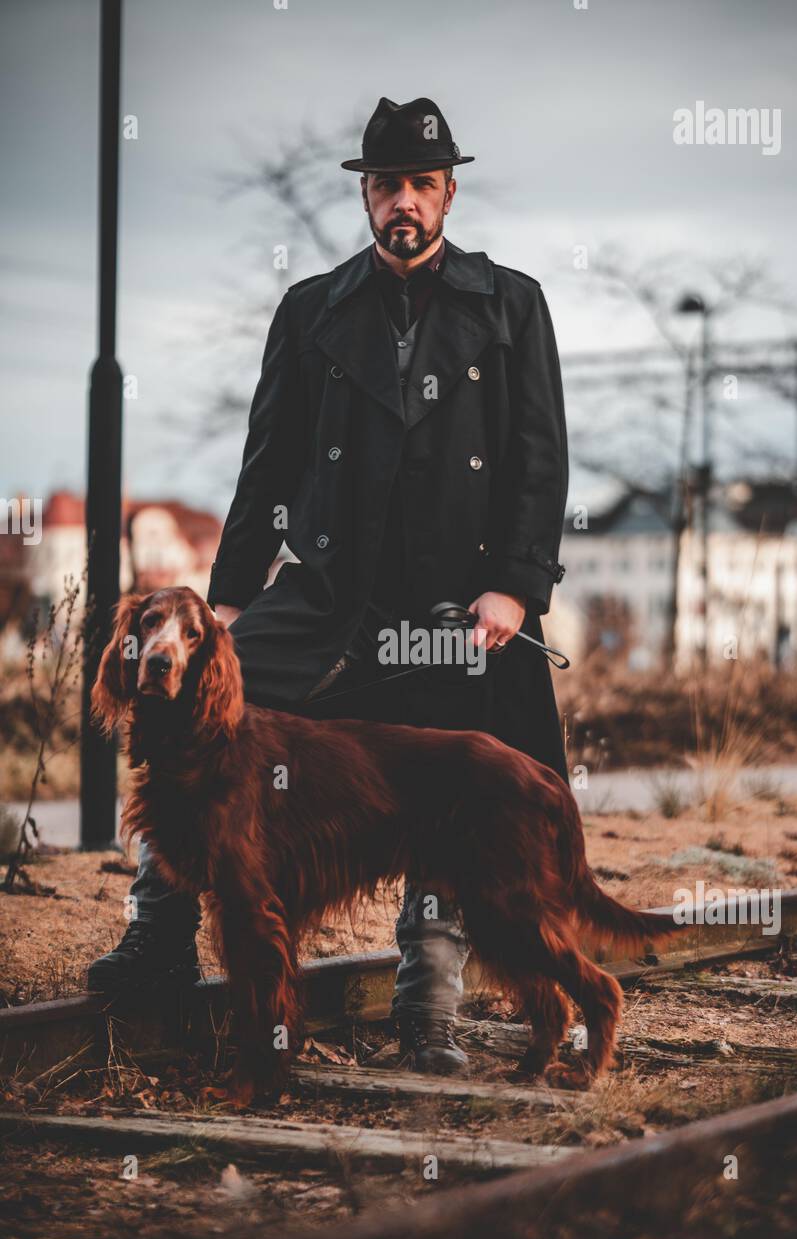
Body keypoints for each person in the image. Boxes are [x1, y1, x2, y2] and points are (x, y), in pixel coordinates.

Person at [88, 95, 570, 1077]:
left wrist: (517, 588)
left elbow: (539, 461)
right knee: (191, 712)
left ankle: (426, 1001)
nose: (405, 202)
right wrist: (224, 605)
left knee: (454, 789)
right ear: (365, 190)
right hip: (328, 594)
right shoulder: (311, 311)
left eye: (423, 185)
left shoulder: (511, 303)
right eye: (387, 184)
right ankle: (160, 935)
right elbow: (266, 469)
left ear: (448, 192)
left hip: (456, 608)